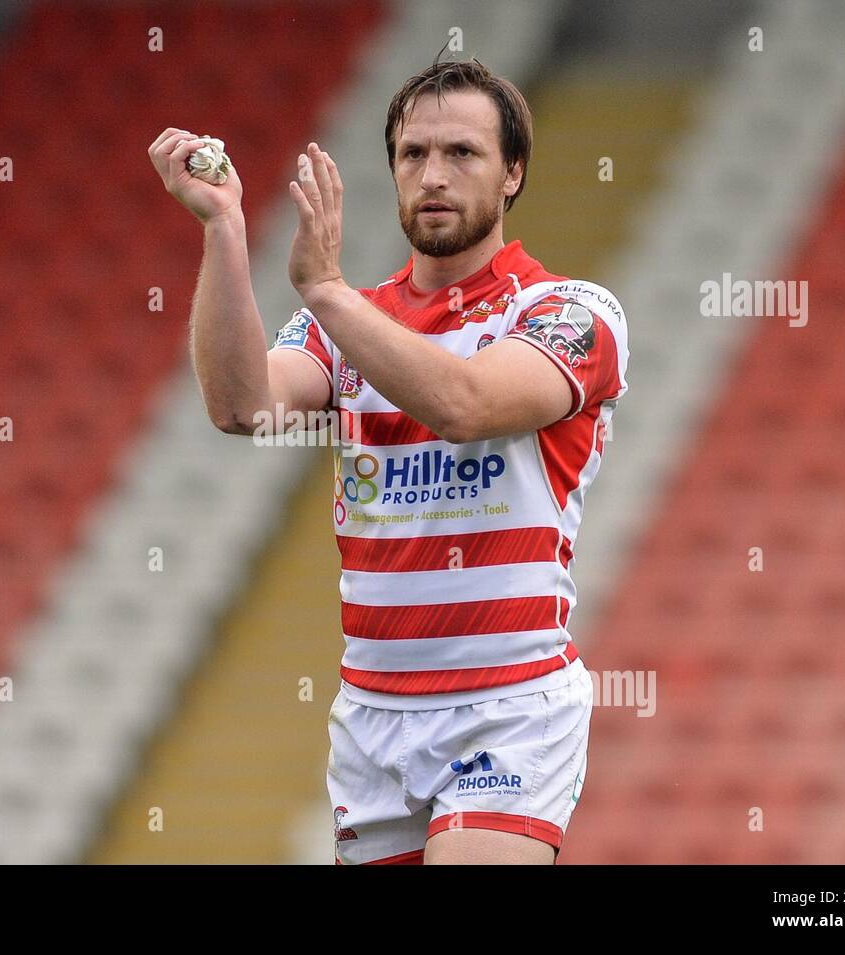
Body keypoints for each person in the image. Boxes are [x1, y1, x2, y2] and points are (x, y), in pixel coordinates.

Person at [148, 57, 628, 865]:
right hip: (373, 714)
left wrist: (327, 294)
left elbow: (465, 405)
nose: (433, 175)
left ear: (513, 173)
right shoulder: (352, 318)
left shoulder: (570, 311)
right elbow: (243, 406)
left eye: (462, 154)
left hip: (507, 704)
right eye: (413, 154)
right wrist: (224, 231)